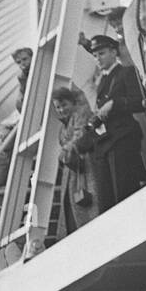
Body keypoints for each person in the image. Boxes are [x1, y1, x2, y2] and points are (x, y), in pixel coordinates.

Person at [87, 34, 146, 211]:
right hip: (107, 143)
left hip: (123, 140)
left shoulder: (126, 72)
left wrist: (114, 104)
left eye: (102, 53)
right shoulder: (104, 80)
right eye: (95, 55)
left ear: (114, 52)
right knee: (109, 199)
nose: (98, 58)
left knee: (125, 193)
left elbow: (140, 103)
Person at [52, 86, 98, 231]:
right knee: (75, 202)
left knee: (88, 198)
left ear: (72, 102)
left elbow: (80, 134)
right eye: (58, 107)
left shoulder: (80, 113)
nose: (61, 110)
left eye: (64, 105)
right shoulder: (65, 124)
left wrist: (66, 150)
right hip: (73, 167)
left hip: (86, 163)